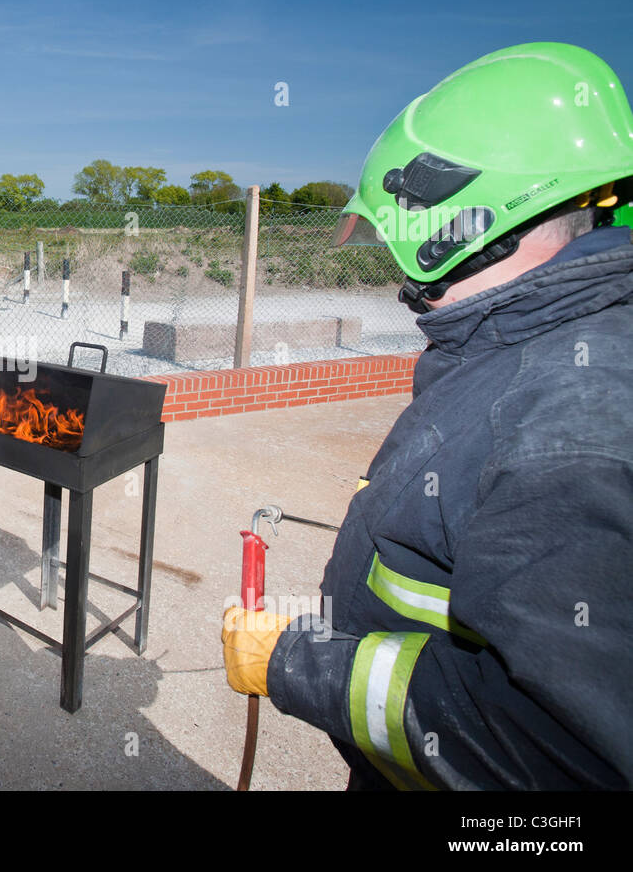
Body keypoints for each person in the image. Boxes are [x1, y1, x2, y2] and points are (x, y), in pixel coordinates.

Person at [221, 42, 633, 789]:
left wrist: (293, 658)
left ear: (455, 228)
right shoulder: (538, 345)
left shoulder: (571, 426)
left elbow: (557, 755)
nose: (401, 275)